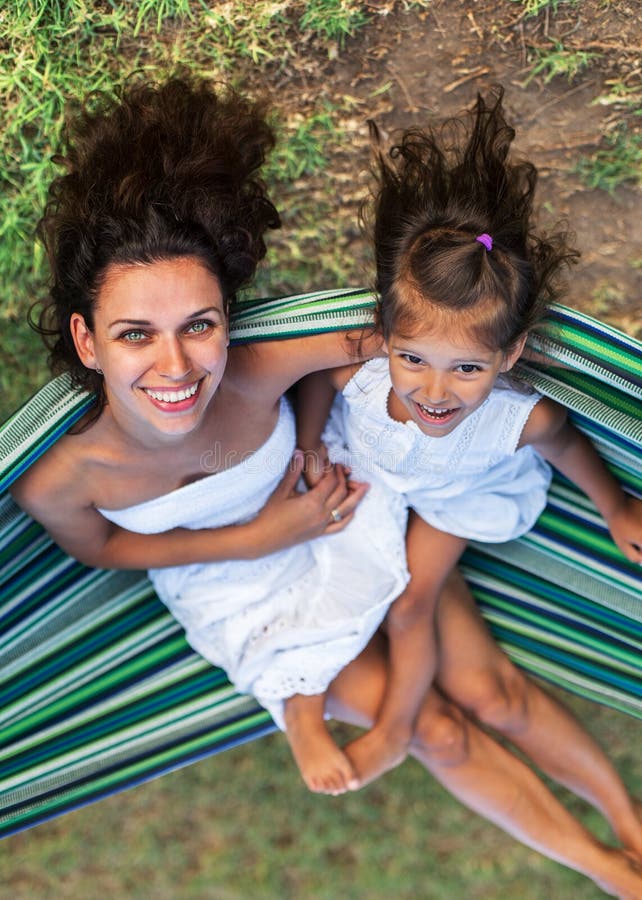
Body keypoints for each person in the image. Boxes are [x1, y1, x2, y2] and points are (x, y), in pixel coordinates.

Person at [10, 77, 642, 896]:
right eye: (136, 335)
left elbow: (417, 332)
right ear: (87, 341)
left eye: (199, 325)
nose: (175, 367)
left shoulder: (255, 373)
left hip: (358, 507)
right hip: (238, 586)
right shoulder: (61, 480)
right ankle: (608, 870)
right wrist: (260, 537)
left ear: (226, 321)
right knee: (436, 730)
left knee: (491, 690)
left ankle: (628, 822)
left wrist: (468, 347)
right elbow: (107, 549)